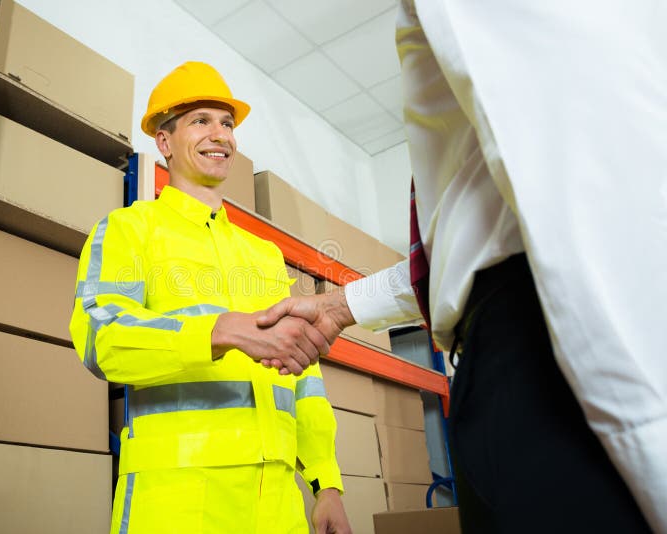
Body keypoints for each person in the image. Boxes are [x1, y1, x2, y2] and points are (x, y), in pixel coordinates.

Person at [257, 1, 667, 532]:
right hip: (544, 343)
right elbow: (480, 228)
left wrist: (649, 435)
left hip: (562, 354)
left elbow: (571, 182)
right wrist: (341, 306)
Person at [69, 61, 351, 534]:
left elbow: (306, 378)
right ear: (164, 142)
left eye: (227, 123)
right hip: (176, 503)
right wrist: (220, 331)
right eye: (201, 121)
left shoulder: (263, 256)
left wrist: (327, 485)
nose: (220, 135)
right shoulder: (129, 231)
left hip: (279, 507)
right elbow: (101, 336)